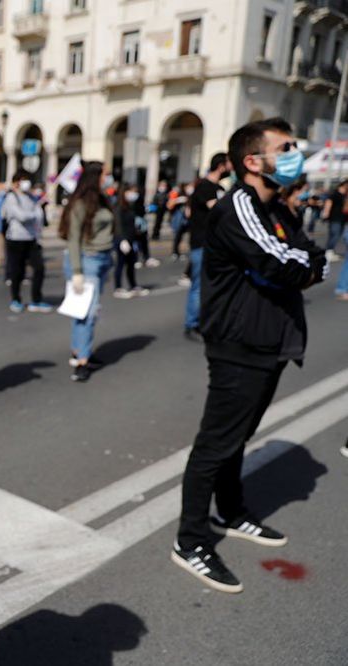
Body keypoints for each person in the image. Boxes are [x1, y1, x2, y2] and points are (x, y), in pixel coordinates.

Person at [173, 118, 327, 593]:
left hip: (270, 342)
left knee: (238, 437)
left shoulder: (277, 208)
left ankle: (232, 511)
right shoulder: (238, 205)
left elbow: (309, 259)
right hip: (239, 346)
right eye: (285, 147)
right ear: (252, 161)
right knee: (215, 444)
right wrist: (299, 264)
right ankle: (191, 539)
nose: (294, 153)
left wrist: (301, 263)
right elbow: (280, 263)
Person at [60, 161, 115, 383]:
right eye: (106, 174)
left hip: (102, 259)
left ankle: (79, 350)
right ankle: (82, 362)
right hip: (87, 260)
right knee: (88, 313)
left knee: (83, 310)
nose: (109, 178)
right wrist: (77, 272)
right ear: (96, 177)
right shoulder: (80, 203)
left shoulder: (101, 199)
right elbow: (73, 239)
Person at [183, 153, 229, 341]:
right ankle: (192, 324)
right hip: (201, 243)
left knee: (212, 285)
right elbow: (219, 210)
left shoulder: (218, 187)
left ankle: (207, 321)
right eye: (228, 164)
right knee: (198, 286)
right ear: (220, 166)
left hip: (216, 244)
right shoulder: (204, 187)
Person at [3, 171, 52, 313]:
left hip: (31, 239)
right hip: (16, 239)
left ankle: (37, 299)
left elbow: (39, 216)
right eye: (23, 180)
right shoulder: (11, 197)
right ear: (16, 182)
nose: (26, 183)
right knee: (17, 271)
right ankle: (16, 299)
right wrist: (33, 214)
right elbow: (21, 216)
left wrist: (39, 208)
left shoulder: (31, 197)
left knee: (39, 268)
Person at [112, 183, 148, 298]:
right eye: (131, 192)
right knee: (120, 264)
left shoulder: (130, 206)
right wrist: (122, 240)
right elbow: (118, 224)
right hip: (122, 240)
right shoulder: (118, 206)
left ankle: (133, 285)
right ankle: (118, 287)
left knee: (131, 263)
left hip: (131, 239)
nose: (134, 194)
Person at [321, 179, 347, 262]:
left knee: (337, 235)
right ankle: (328, 253)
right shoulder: (335, 193)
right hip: (335, 218)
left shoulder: (345, 195)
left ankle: (330, 252)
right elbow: (329, 203)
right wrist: (326, 213)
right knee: (334, 235)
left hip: (342, 219)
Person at [169, 183, 192, 261]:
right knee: (177, 236)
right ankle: (175, 252)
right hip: (179, 219)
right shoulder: (178, 194)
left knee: (189, 236)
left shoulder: (190, 196)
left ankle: (187, 251)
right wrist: (177, 200)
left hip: (188, 220)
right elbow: (169, 205)